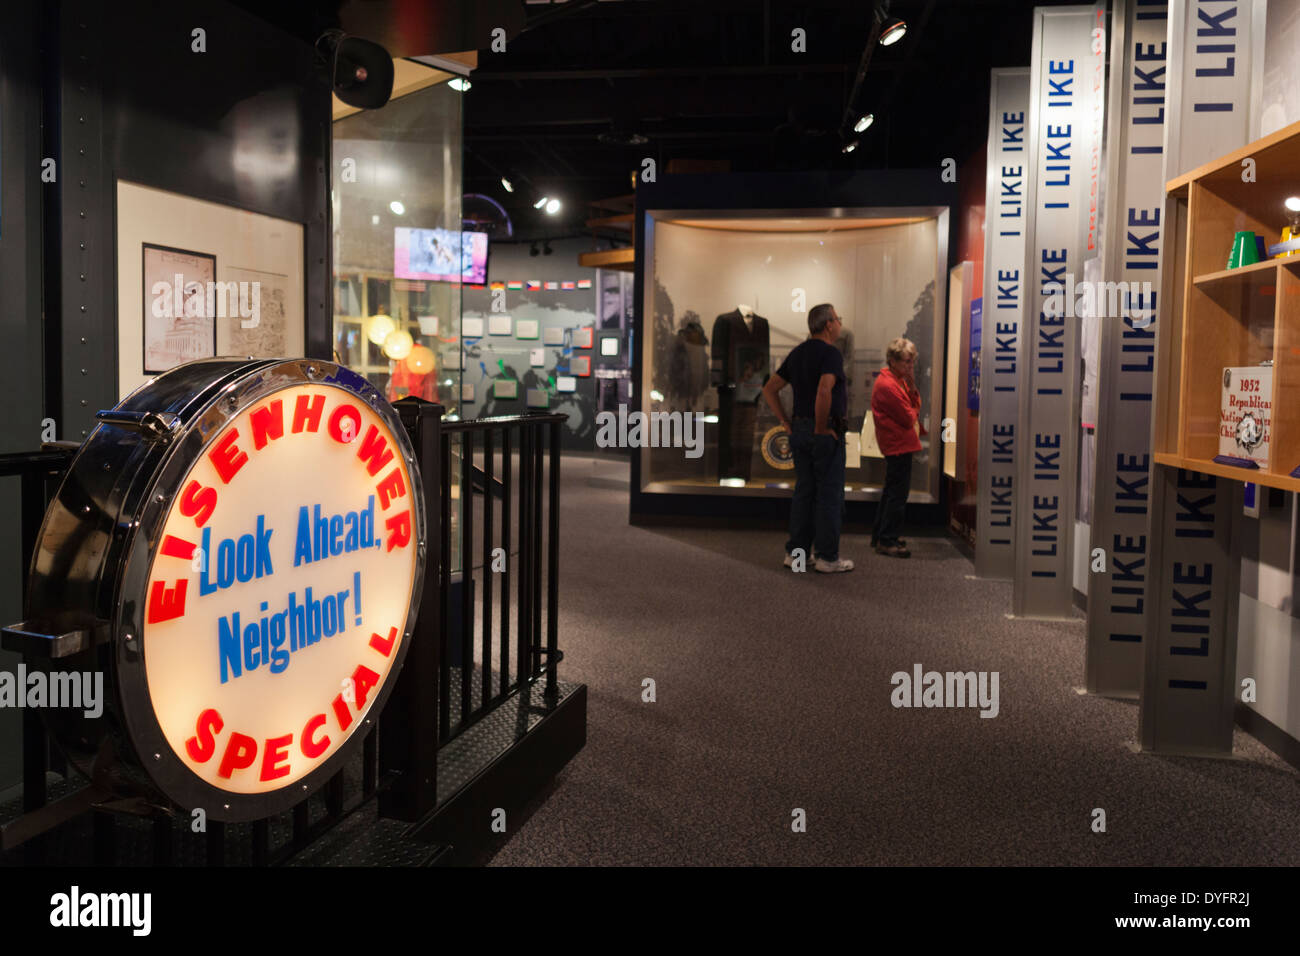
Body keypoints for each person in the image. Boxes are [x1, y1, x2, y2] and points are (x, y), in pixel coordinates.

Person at [761, 303, 853, 573]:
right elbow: (825, 391)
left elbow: (770, 389)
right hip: (822, 432)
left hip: (799, 431)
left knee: (804, 492)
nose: (839, 324)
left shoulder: (798, 353)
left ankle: (797, 555)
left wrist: (786, 423)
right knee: (828, 495)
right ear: (828, 325)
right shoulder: (830, 354)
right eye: (837, 319)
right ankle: (827, 558)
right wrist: (822, 428)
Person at [870, 337, 922, 558]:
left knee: (892, 492)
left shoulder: (897, 380)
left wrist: (911, 389)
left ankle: (881, 535)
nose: (910, 367)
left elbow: (911, 404)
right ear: (892, 361)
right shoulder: (889, 385)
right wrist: (914, 403)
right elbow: (909, 417)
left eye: (912, 362)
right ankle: (887, 539)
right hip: (897, 444)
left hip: (899, 443)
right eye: (906, 362)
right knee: (897, 495)